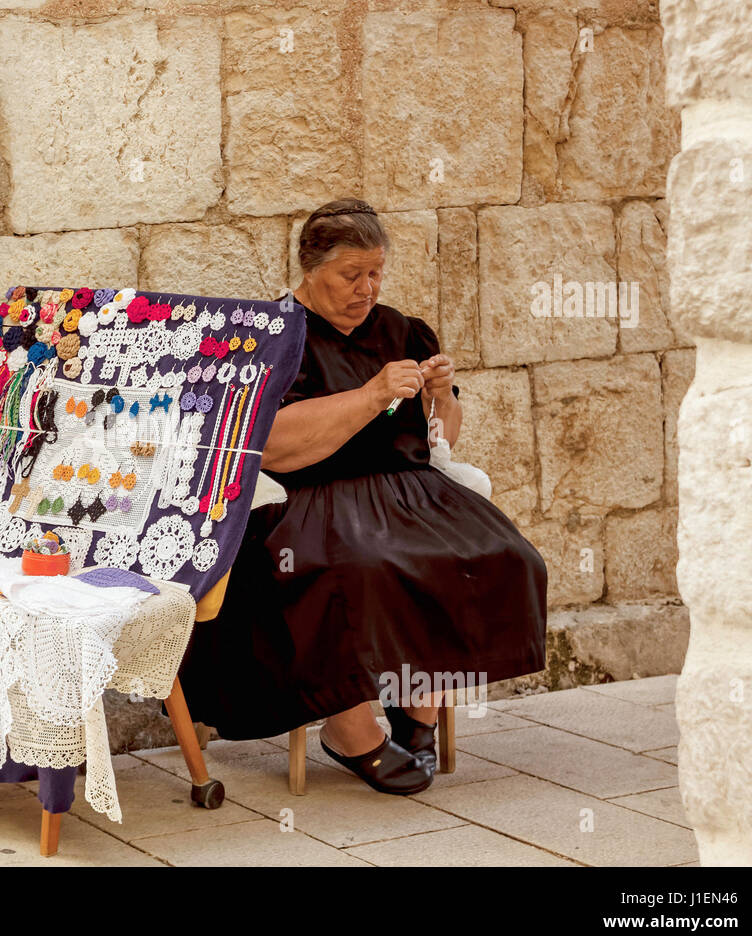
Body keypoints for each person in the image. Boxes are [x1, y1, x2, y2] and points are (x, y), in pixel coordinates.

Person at [178, 198, 548, 795]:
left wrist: (441, 396)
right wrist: (373, 393)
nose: (367, 288)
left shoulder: (402, 330)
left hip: (413, 491)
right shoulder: (275, 336)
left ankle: (418, 706)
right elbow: (270, 446)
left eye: (375, 273)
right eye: (352, 275)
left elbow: (439, 441)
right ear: (309, 267)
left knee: (497, 558)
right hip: (311, 499)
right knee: (357, 569)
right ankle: (350, 731)